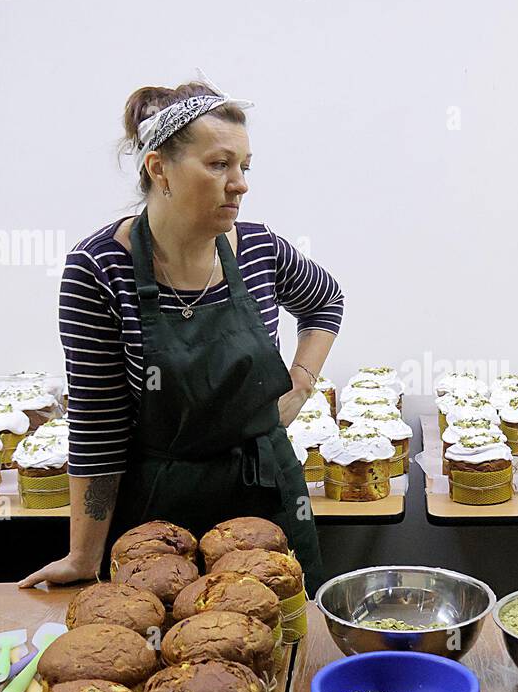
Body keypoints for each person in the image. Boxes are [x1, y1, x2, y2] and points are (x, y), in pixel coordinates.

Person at [20, 79, 343, 594]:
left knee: (277, 637)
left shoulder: (260, 249)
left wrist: (301, 382)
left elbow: (327, 300)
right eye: (219, 165)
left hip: (266, 492)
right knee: (169, 651)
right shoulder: (100, 268)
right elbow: (97, 425)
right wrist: (83, 555)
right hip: (158, 513)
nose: (239, 184)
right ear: (159, 169)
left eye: (244, 166)